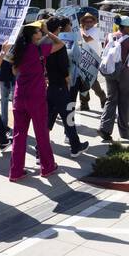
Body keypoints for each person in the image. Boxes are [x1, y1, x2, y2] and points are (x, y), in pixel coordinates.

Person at [7, 22, 60, 181]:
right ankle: (47, 167)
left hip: (19, 96)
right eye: (38, 31)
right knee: (41, 133)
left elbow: (15, 70)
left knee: (18, 135)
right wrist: (48, 32)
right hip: (36, 97)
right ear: (32, 35)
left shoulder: (19, 50)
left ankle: (16, 171)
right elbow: (60, 44)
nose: (40, 33)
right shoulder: (38, 49)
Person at [44, 17, 89, 156]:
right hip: (60, 86)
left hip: (50, 85)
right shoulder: (60, 45)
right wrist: (67, 78)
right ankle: (75, 146)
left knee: (49, 119)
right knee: (68, 115)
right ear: (58, 29)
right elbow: (64, 66)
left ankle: (41, 150)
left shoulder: (43, 43)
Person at [98, 17, 129, 143]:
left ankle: (105, 128)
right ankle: (125, 132)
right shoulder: (128, 40)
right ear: (125, 27)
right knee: (124, 101)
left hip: (109, 71)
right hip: (124, 73)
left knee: (111, 99)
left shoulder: (109, 36)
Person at [76, 12, 107, 111]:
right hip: (82, 57)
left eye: (90, 21)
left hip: (93, 58)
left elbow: (87, 39)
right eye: (86, 21)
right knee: (83, 81)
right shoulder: (84, 30)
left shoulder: (95, 30)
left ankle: (102, 97)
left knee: (92, 81)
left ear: (94, 22)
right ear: (83, 22)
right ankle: (84, 103)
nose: (88, 23)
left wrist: (79, 30)